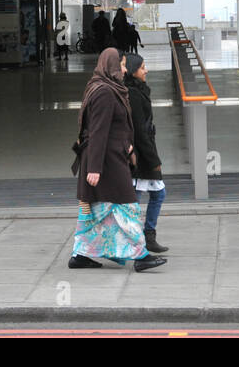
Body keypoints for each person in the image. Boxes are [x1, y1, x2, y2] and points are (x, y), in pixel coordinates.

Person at [69, 48, 166, 271]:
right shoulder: (104, 92)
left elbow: (113, 127)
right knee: (127, 207)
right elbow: (98, 132)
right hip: (106, 163)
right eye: (121, 64)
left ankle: (80, 254)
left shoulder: (104, 87)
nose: (124, 69)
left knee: (96, 210)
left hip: (110, 157)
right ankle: (141, 256)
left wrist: (127, 145)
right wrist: (94, 168)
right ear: (111, 65)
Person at [124, 53, 167, 253]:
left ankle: (146, 236)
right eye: (142, 67)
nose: (146, 70)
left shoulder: (138, 90)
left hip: (145, 150)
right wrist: (153, 159)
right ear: (133, 71)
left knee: (148, 194)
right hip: (141, 155)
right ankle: (139, 238)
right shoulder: (132, 93)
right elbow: (140, 130)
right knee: (141, 196)